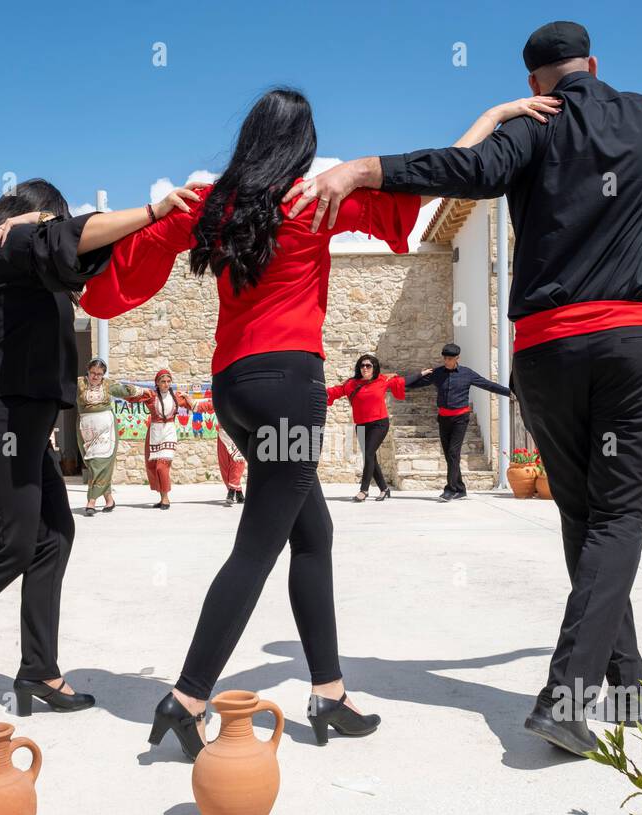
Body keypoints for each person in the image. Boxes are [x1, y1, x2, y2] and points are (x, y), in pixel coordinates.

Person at [291, 18, 642, 755]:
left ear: (536, 81)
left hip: (545, 350)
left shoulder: (532, 126)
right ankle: (568, 695)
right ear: (593, 63)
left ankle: (622, 680)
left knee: (583, 513)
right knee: (619, 516)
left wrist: (362, 168)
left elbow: (456, 169)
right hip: (631, 344)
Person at [82, 87, 557, 758]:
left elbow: (128, 259)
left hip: (233, 387)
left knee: (314, 534)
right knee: (258, 547)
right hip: (288, 385)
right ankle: (187, 696)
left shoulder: (211, 205)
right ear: (302, 145)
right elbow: (443, 170)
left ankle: (328, 692)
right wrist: (497, 117)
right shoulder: (315, 197)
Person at [0, 178, 200, 718]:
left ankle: (39, 670)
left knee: (54, 535)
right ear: (38, 216)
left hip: (19, 423)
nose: (61, 230)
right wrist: (151, 210)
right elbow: (74, 236)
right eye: (55, 219)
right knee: (11, 547)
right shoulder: (11, 243)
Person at [404, 343, 511, 501]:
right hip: (443, 418)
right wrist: (408, 379)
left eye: (450, 359)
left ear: (457, 358)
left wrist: (511, 393)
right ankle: (460, 489)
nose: (447, 361)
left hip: (460, 419)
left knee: (454, 453)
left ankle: (450, 489)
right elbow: (415, 384)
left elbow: (488, 385)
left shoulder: (467, 374)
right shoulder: (438, 373)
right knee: (449, 455)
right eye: (445, 358)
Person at [327, 353, 406, 501]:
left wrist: (421, 374)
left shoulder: (382, 380)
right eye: (362, 365)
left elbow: (403, 381)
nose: (365, 368)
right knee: (371, 457)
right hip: (361, 425)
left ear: (374, 368)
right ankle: (384, 489)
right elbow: (337, 391)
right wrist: (317, 392)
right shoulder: (352, 384)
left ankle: (364, 490)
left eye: (368, 365)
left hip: (379, 423)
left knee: (369, 454)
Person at [75, 357, 144, 515]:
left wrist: (143, 391)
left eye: (99, 374)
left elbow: (125, 391)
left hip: (106, 429)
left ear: (103, 374)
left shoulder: (107, 385)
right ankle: (109, 499)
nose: (95, 377)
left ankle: (91, 501)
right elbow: (62, 387)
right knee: (92, 463)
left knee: (100, 462)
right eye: (93, 373)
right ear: (88, 371)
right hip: (87, 430)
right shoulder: (79, 384)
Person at [140, 368, 194, 509]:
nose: (166, 384)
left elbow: (194, 405)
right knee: (153, 467)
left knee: (161, 466)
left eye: (169, 381)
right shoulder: (151, 396)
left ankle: (166, 499)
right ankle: (162, 496)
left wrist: (189, 399)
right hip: (154, 435)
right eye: (163, 381)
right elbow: (132, 396)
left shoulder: (176, 397)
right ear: (157, 383)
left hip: (169, 433)